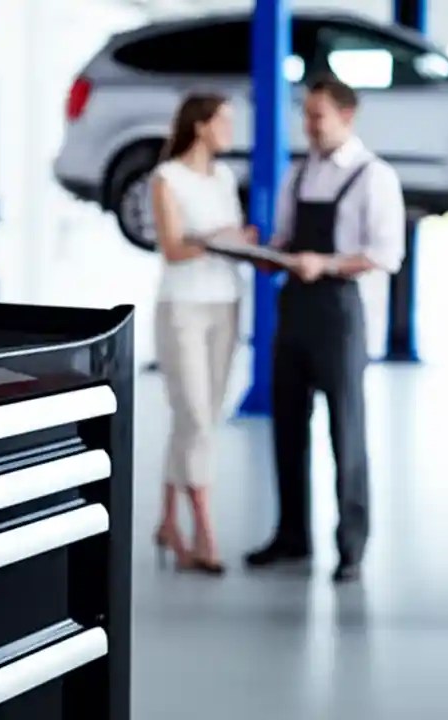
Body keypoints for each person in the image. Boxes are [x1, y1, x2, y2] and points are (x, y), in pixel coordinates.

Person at [243, 74, 406, 583]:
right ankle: (292, 537)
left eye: (317, 116)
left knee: (346, 431)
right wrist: (269, 253)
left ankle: (351, 548)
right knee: (287, 429)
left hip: (338, 313)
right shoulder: (300, 172)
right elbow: (288, 238)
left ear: (346, 116)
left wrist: (327, 264)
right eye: (306, 116)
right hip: (293, 307)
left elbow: (386, 254)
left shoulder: (373, 176)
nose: (308, 126)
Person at [150, 92, 252, 576]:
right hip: (183, 307)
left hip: (226, 302)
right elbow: (174, 249)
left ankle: (168, 521)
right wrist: (218, 240)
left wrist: (222, 242)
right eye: (224, 122)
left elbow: (221, 241)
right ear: (200, 126)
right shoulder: (166, 179)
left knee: (199, 416)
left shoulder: (225, 177)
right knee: (196, 418)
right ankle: (204, 534)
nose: (230, 131)